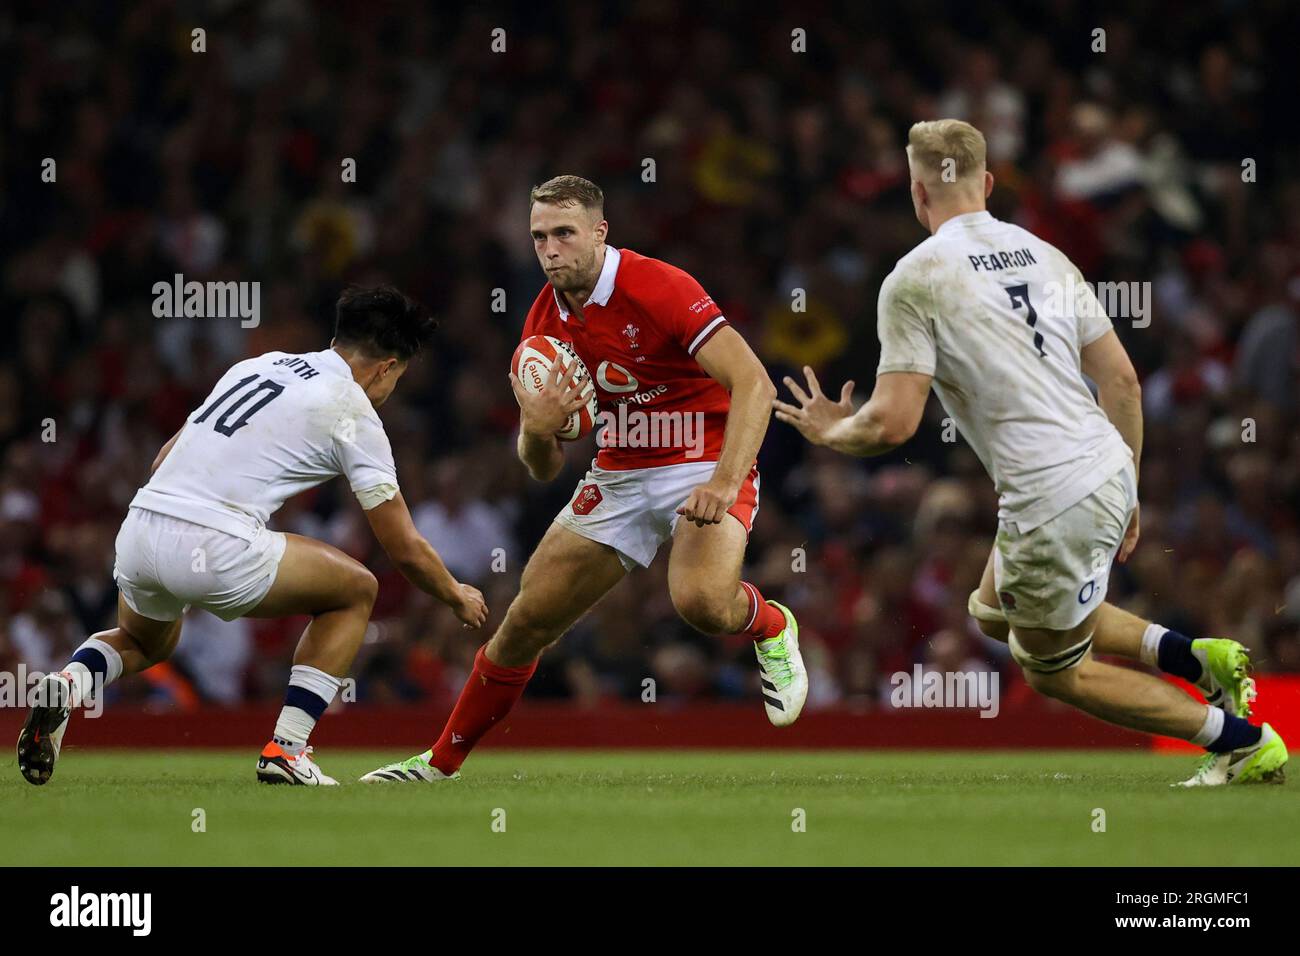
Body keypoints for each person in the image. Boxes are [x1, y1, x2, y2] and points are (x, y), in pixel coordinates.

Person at [774, 119, 1285, 787]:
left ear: (916, 192)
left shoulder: (915, 278)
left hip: (1052, 493)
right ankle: (1194, 659)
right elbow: (1123, 381)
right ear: (986, 183)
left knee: (1055, 671)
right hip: (1102, 462)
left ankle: (1243, 741)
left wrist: (832, 431)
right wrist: (1127, 486)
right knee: (989, 609)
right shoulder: (1047, 255)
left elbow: (894, 424)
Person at [362, 175, 803, 783]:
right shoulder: (542, 324)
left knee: (701, 602)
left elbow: (755, 382)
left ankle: (773, 625)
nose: (551, 249)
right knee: (524, 623)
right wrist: (536, 430)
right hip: (620, 472)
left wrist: (725, 483)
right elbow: (540, 469)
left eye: (564, 233)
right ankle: (438, 765)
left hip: (704, 457)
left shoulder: (658, 286)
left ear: (599, 233)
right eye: (539, 236)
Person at [17, 285, 487, 787]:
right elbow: (404, 548)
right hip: (215, 545)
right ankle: (287, 750)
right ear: (386, 368)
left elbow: (162, 460)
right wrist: (455, 594)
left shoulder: (258, 365)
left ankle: (69, 684)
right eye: (399, 377)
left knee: (141, 640)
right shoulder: (353, 410)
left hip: (141, 527)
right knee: (356, 589)